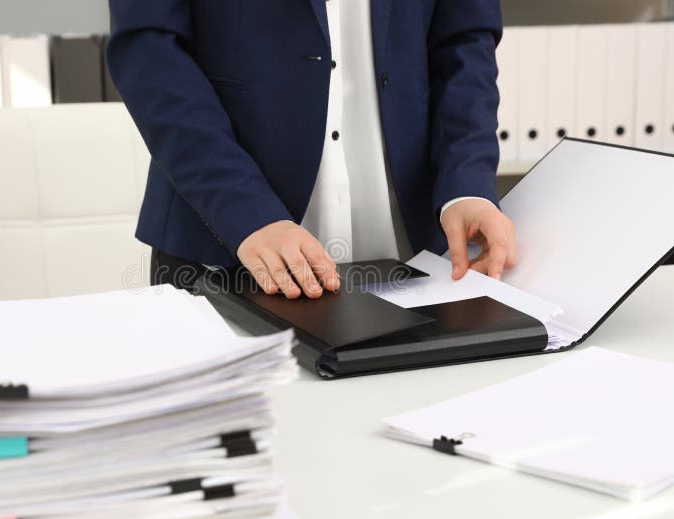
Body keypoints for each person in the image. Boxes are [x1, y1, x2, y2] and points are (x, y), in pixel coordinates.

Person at [107, 0, 516, 298]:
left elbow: (465, 40)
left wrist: (466, 183)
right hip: (226, 250)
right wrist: (246, 212)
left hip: (420, 257)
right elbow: (148, 48)